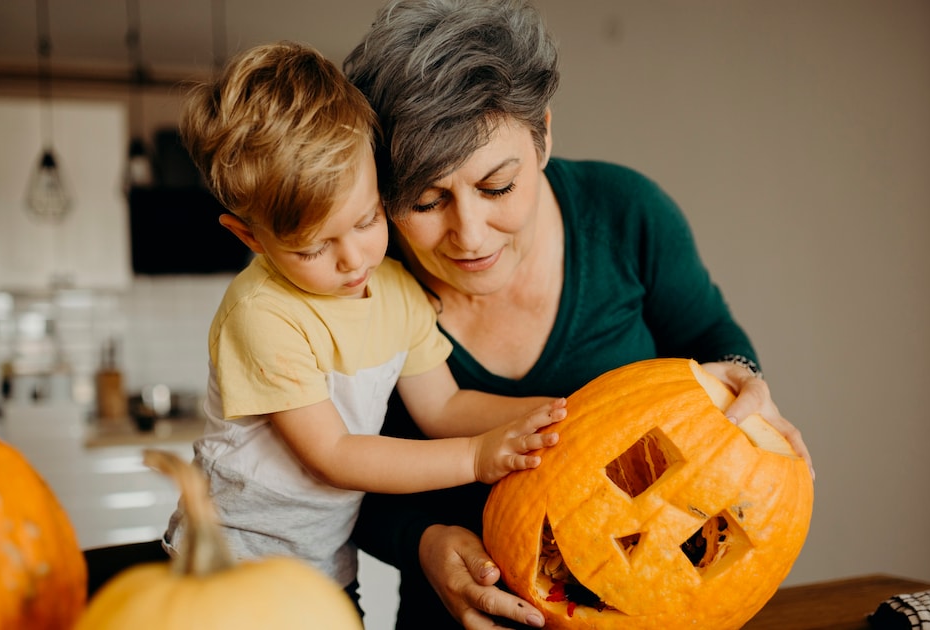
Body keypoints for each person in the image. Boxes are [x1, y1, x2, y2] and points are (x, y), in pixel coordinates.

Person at [342, 1, 816, 627]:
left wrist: (745, 381)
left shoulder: (626, 213)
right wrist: (422, 541)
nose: (470, 235)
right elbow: (331, 479)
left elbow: (711, 338)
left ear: (541, 133)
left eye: (497, 187)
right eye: (427, 201)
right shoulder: (356, 282)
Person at [160, 41, 568, 613]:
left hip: (325, 568)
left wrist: (564, 416)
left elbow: (445, 407)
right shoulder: (263, 315)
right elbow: (333, 453)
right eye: (315, 246)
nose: (354, 258)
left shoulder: (396, 289)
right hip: (231, 572)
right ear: (249, 237)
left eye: (368, 218)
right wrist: (475, 458)